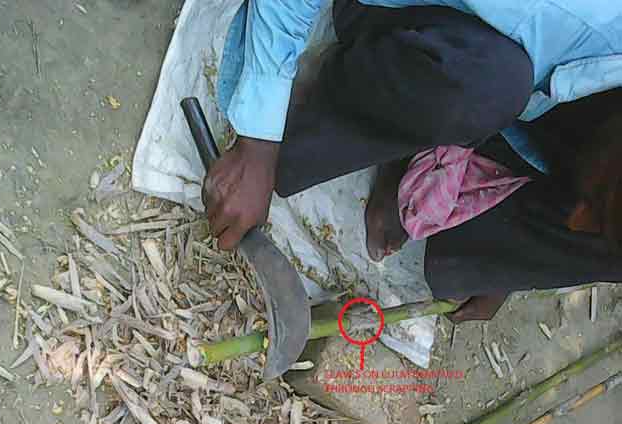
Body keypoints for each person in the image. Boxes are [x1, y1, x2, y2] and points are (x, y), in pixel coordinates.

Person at [205, 1, 622, 322]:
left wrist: (516, 266)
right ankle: (352, 103)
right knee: (494, 84)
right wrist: (258, 143)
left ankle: (443, 177)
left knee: (506, 89)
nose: (575, 222)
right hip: (406, 21)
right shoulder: (564, 11)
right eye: (598, 202)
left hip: (524, 72)